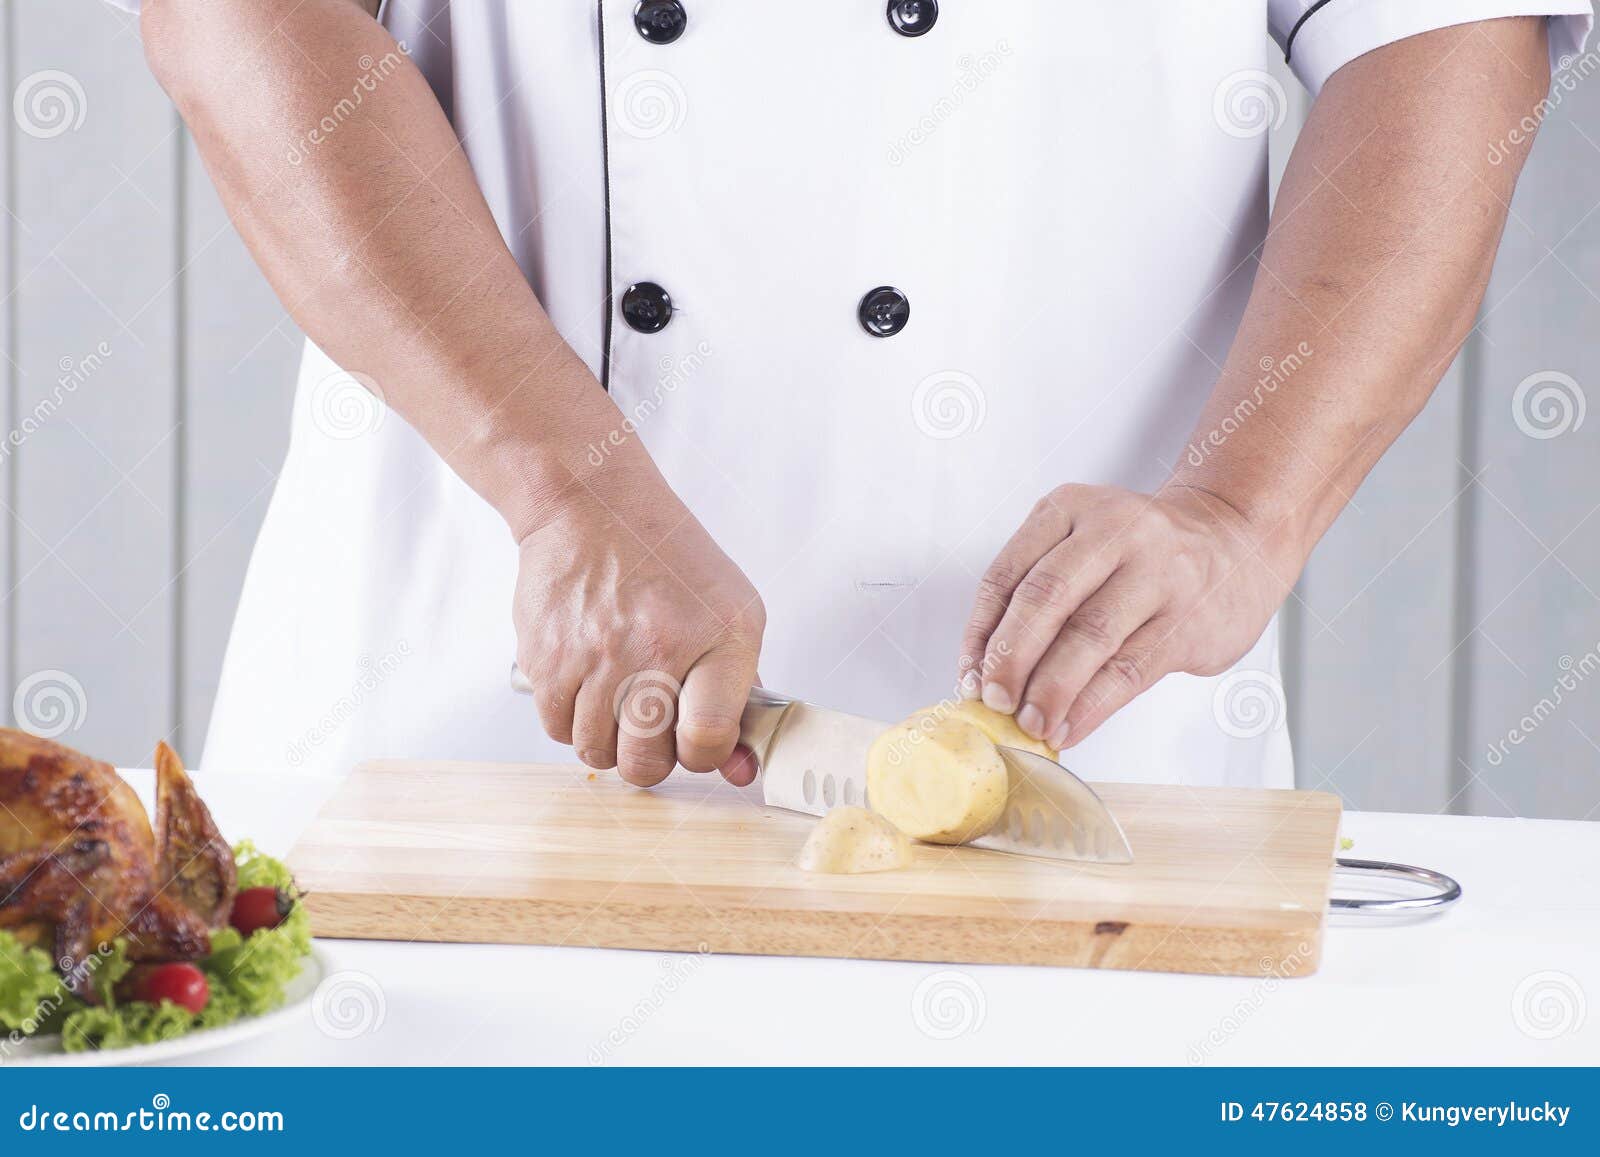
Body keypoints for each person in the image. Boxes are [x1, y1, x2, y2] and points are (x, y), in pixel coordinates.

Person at [114, 0, 1590, 789]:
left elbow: (1443, 41)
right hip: (469, 711)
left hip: (1070, 755)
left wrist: (1234, 512)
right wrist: (568, 487)